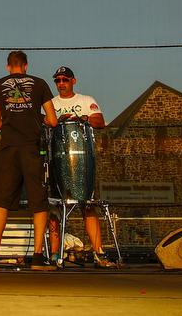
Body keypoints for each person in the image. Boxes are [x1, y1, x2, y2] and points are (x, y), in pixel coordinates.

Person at [0, 50, 58, 271]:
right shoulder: (39, 84)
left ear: (8, 67)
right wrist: (37, 119)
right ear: (26, 66)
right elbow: (52, 119)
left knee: (2, 201)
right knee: (38, 201)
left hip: (8, 148)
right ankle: (39, 258)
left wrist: (10, 118)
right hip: (32, 148)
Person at [47, 66, 113, 267]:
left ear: (73, 81)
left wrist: (83, 118)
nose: (61, 83)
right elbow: (43, 121)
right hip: (57, 158)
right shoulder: (50, 103)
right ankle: (54, 255)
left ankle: (98, 253)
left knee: (88, 204)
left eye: (65, 79)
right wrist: (56, 120)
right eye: (57, 80)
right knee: (54, 206)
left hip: (82, 159)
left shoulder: (85, 100)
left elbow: (100, 121)